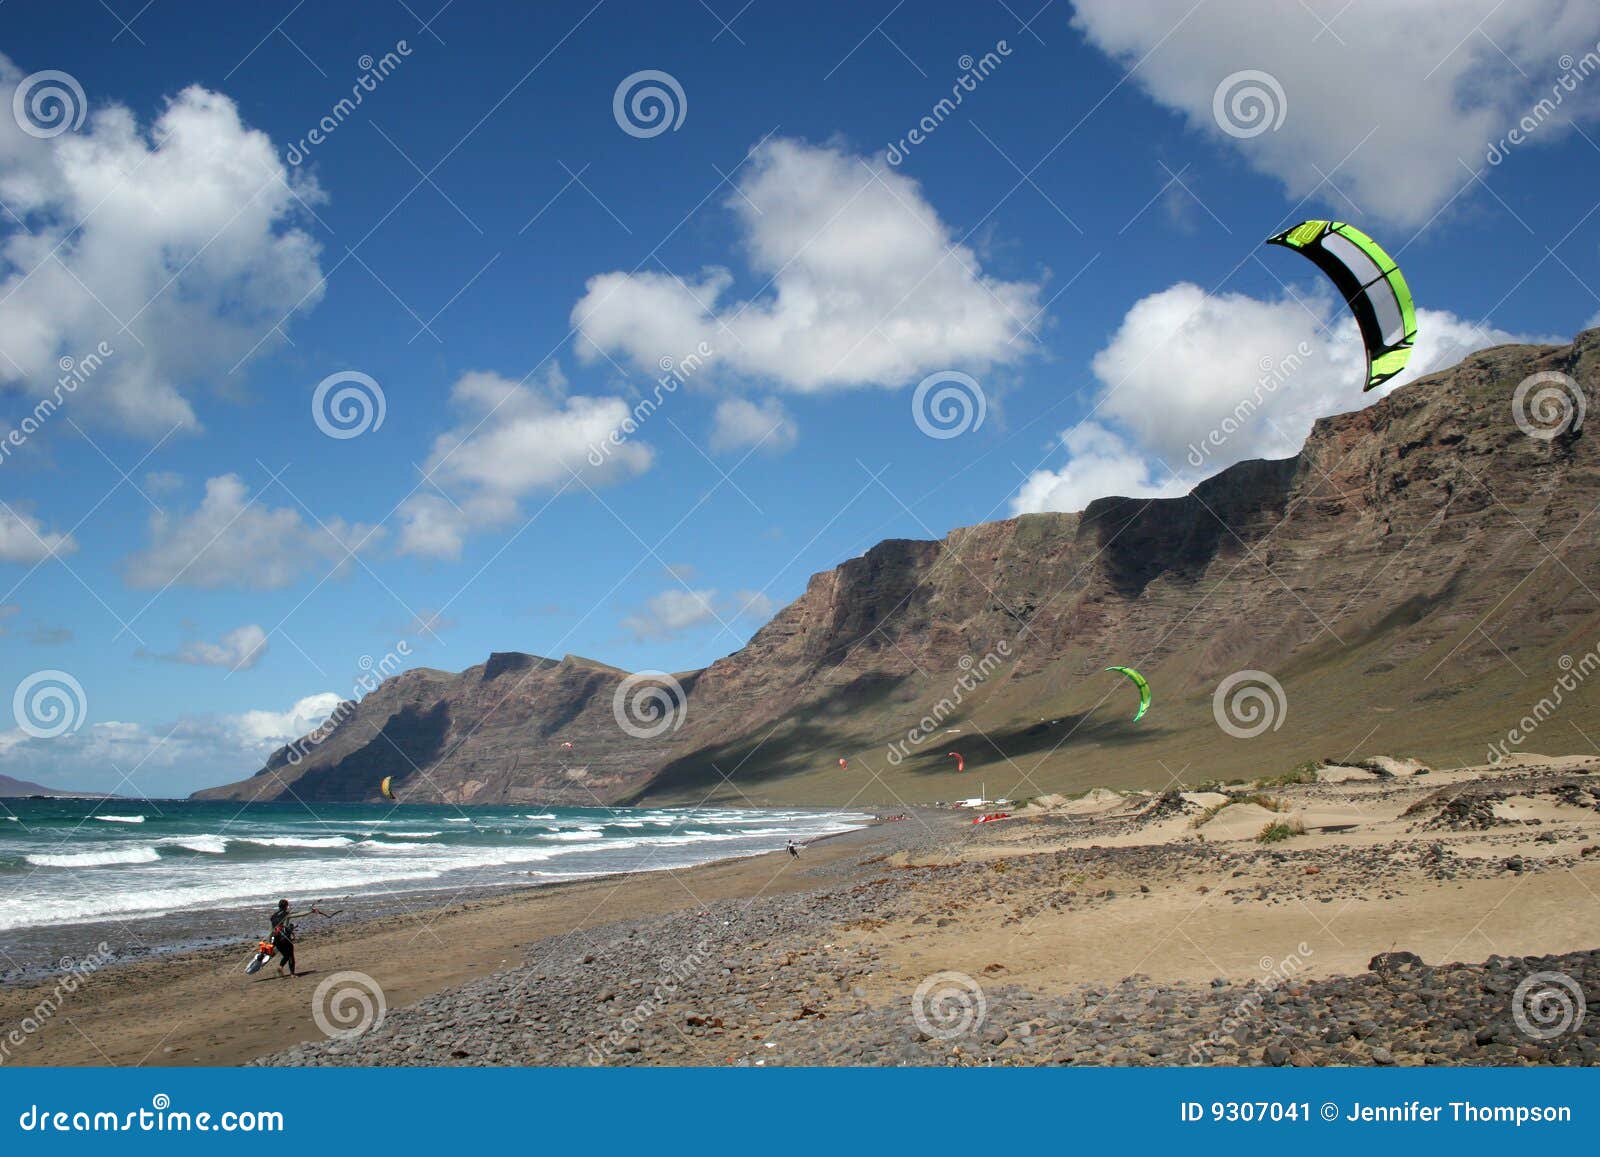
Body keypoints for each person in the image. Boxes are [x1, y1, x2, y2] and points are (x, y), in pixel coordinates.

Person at [270, 899, 315, 978]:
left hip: (275, 938)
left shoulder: (273, 916)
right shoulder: (286, 914)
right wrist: (310, 911)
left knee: (286, 955)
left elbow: (271, 930)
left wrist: (271, 942)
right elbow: (299, 914)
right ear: (286, 906)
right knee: (290, 955)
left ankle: (280, 967)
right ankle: (292, 974)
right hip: (283, 938)